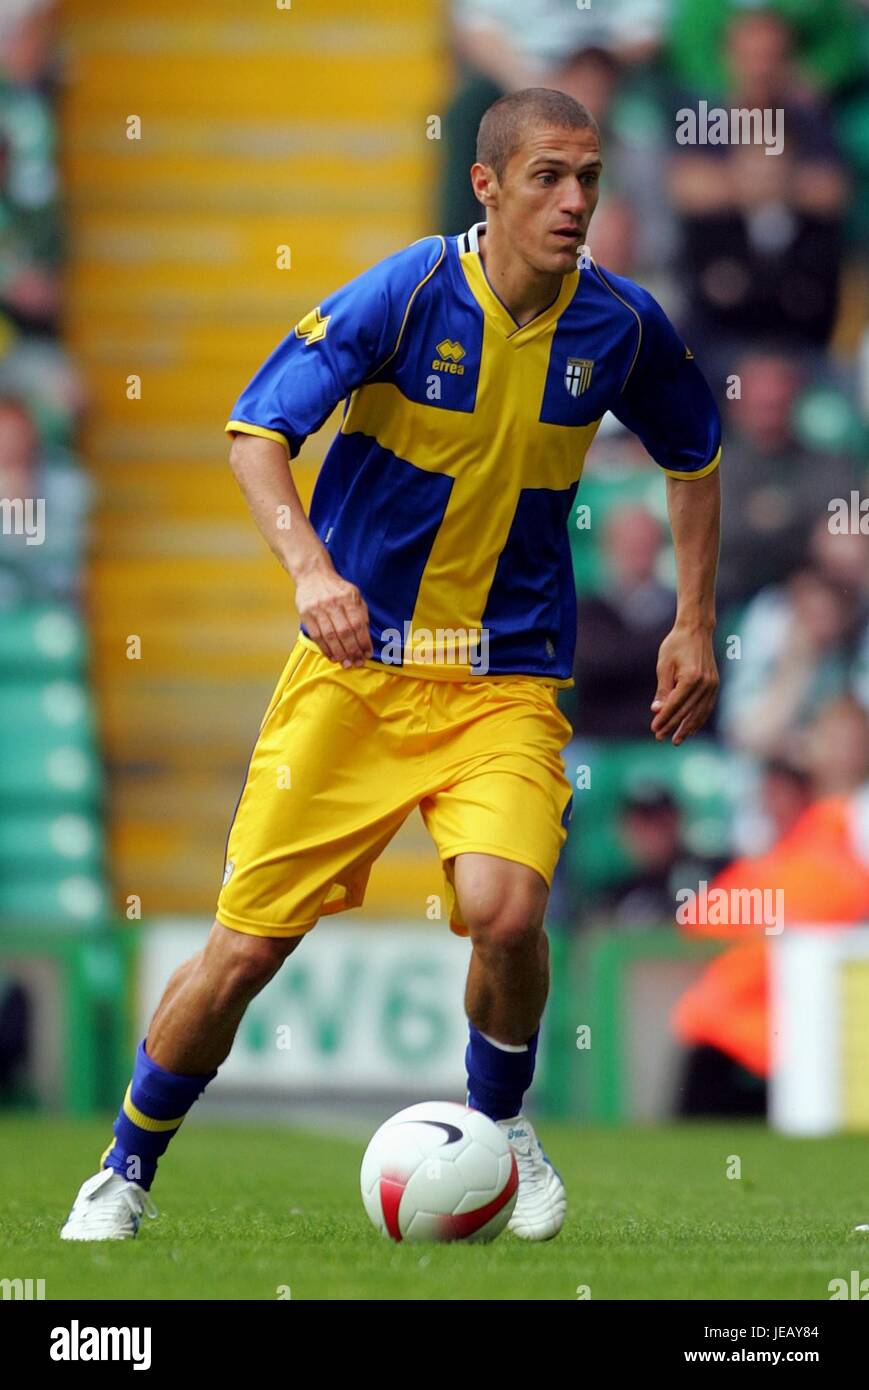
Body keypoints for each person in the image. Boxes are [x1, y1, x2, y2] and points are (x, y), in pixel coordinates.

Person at [61, 87, 722, 1243]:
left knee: (504, 911)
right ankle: (123, 1167)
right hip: (358, 679)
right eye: (547, 179)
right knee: (245, 951)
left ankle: (500, 1123)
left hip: (506, 678)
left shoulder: (616, 323)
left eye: (587, 180)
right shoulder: (409, 292)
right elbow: (256, 433)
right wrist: (313, 575)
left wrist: (693, 620)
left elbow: (693, 449)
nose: (573, 203)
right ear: (487, 186)